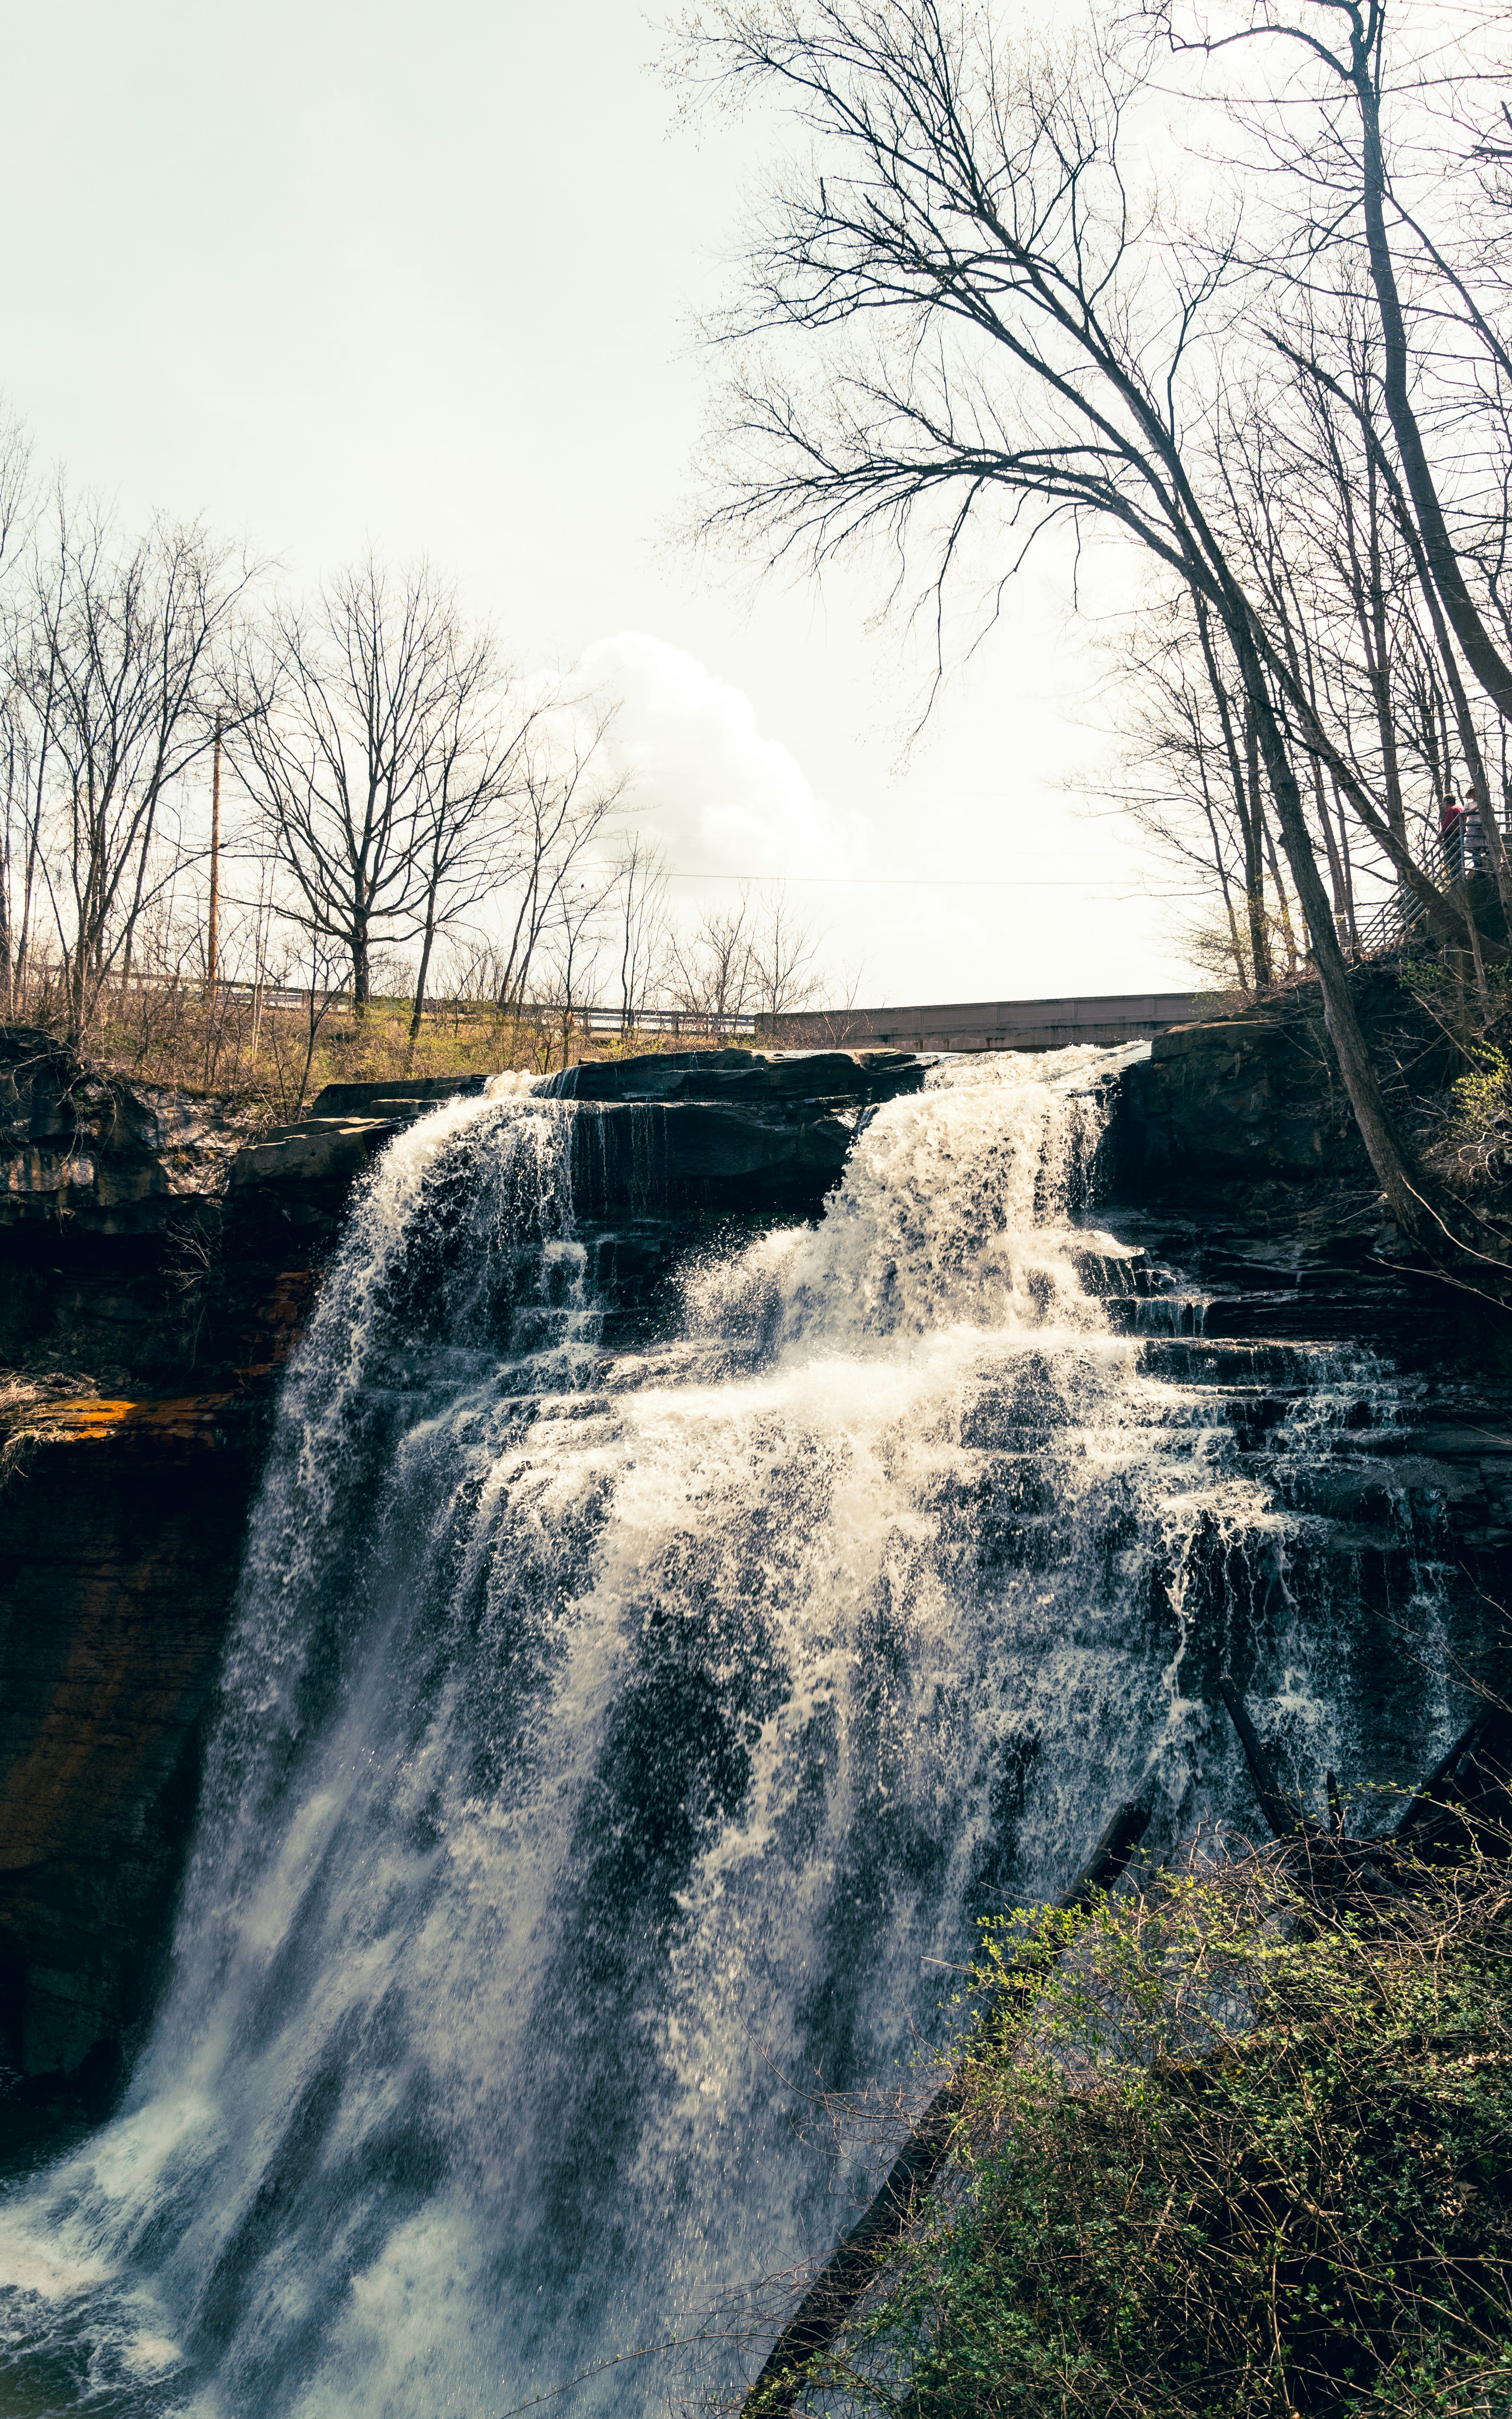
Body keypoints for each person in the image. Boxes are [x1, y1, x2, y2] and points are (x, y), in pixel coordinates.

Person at [1440, 791, 1468, 881]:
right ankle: (1460, 875)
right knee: (1459, 857)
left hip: (1452, 837)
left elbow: (1447, 826)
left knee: (1452, 858)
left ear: (1446, 802)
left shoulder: (1451, 810)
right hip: (1460, 835)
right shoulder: (1460, 809)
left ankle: (1456, 877)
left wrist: (1441, 835)